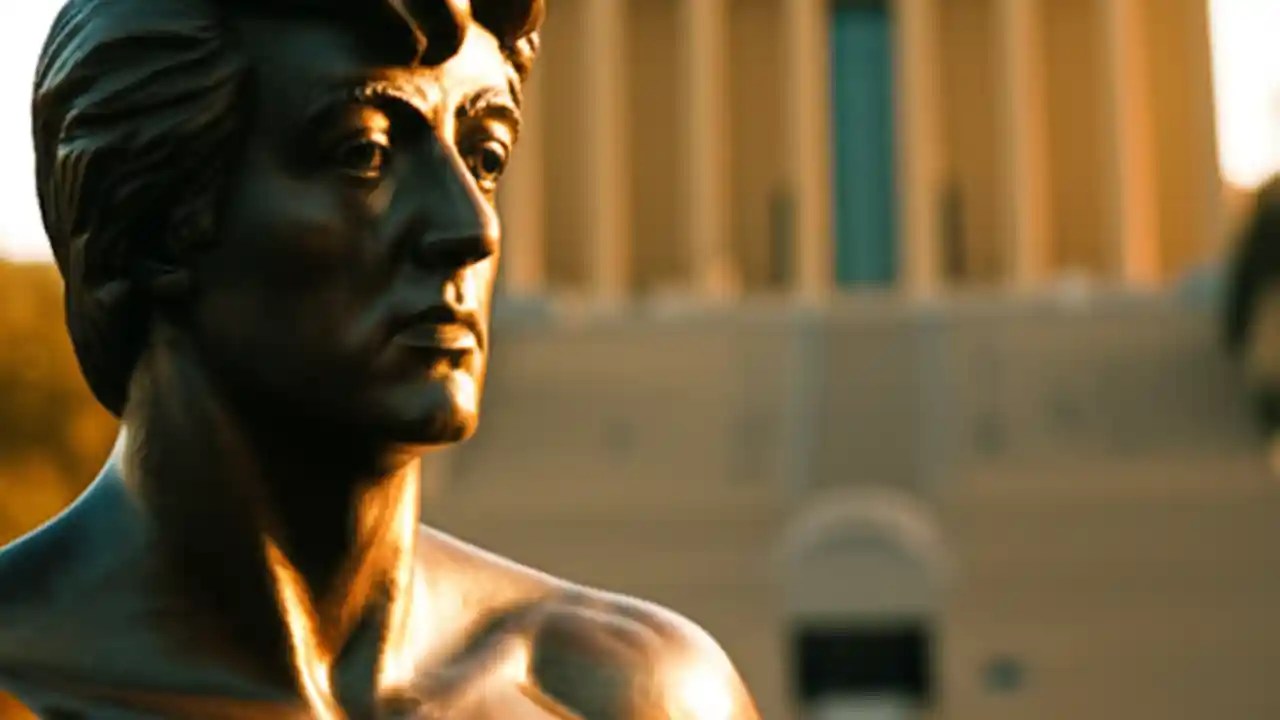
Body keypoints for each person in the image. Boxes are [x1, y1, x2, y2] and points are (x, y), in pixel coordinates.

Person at [0, 0, 760, 717]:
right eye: (364, 152)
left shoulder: (634, 696)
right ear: (154, 223)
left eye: (485, 156)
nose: (474, 228)